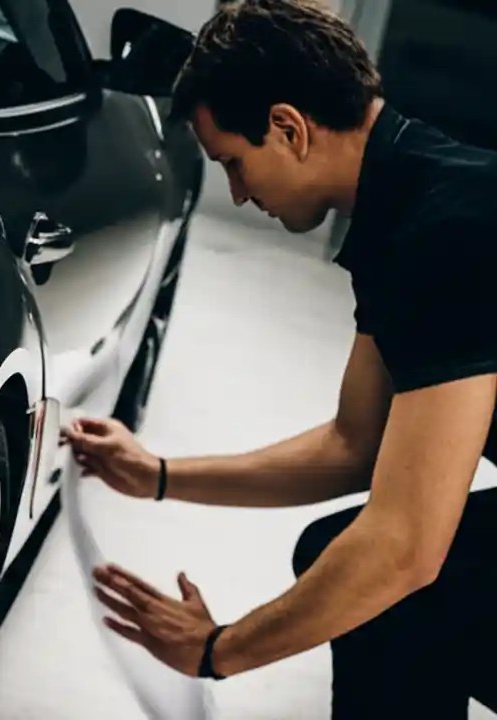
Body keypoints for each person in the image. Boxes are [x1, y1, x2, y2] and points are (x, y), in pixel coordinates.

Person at [61, 0, 497, 716]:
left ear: (289, 128)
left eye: (234, 163)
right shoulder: (407, 203)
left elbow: (406, 546)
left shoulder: (449, 230)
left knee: (389, 590)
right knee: (342, 561)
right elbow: (354, 444)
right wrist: (158, 476)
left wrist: (217, 651)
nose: (237, 193)